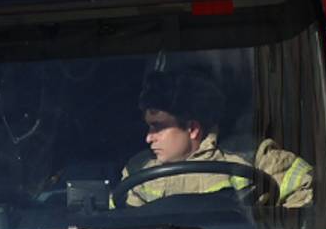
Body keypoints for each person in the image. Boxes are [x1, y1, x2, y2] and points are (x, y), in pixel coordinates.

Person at [120, 65, 313, 209]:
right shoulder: (137, 173)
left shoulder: (252, 158)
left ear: (192, 129)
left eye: (158, 127)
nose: (148, 138)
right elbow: (125, 226)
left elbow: (304, 190)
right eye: (148, 127)